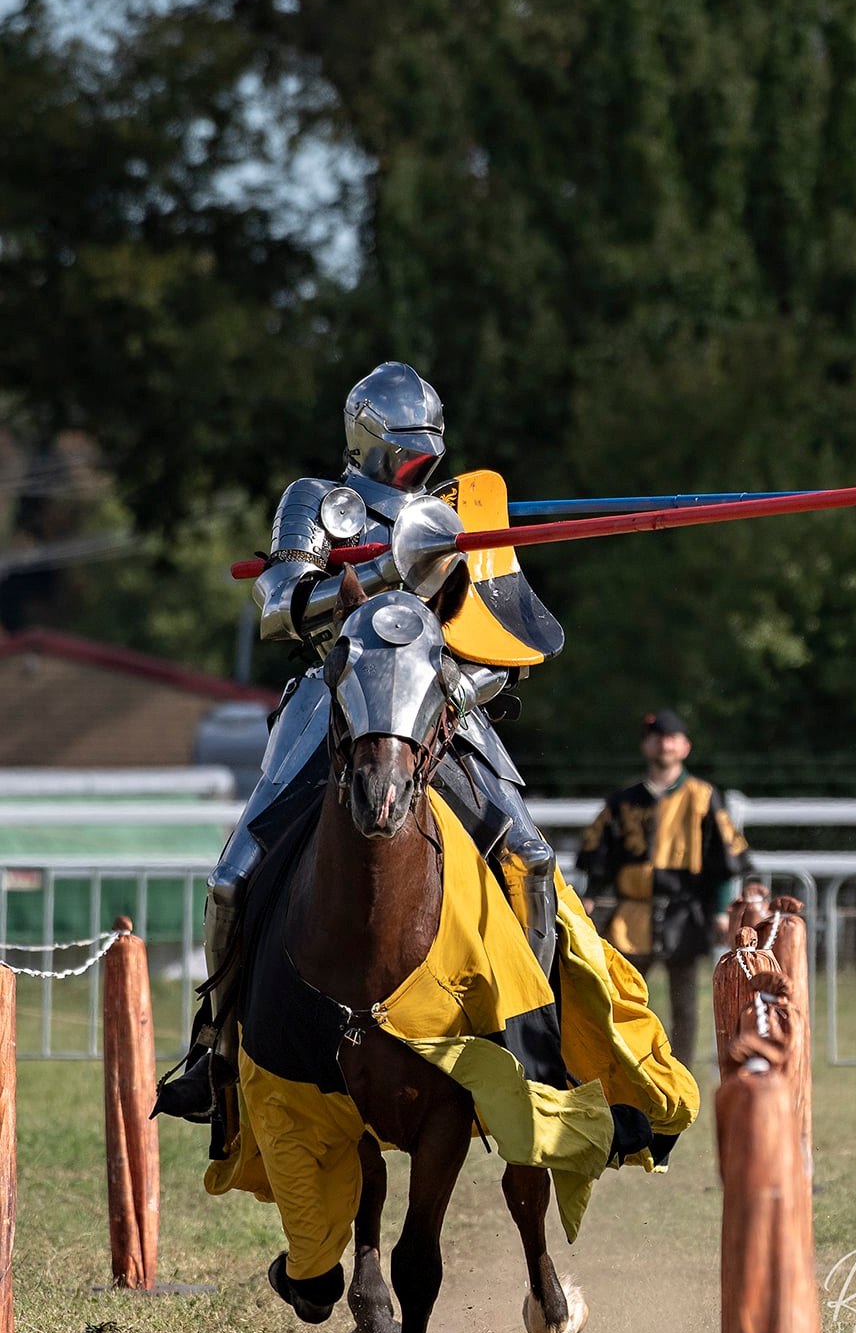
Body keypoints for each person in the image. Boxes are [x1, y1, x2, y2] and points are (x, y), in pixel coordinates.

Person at [156, 361, 568, 1122]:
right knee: (234, 874)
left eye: (428, 449)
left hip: (435, 702)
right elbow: (278, 605)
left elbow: (492, 641)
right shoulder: (319, 501)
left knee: (532, 857)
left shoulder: (455, 512)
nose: (420, 464)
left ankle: (532, 1051)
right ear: (369, 439)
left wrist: (459, 685)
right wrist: (385, 566)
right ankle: (215, 1047)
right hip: (337, 697)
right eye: (408, 449)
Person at [577, 710, 752, 1069]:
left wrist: (721, 911)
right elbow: (600, 852)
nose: (665, 744)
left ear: (685, 747)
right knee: (622, 997)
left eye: (672, 737)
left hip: (683, 913)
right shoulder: (624, 800)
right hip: (632, 913)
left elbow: (724, 858)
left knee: (684, 1005)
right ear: (646, 745)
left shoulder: (702, 797)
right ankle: (624, 1069)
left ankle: (681, 1073)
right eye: (658, 737)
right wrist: (590, 894)